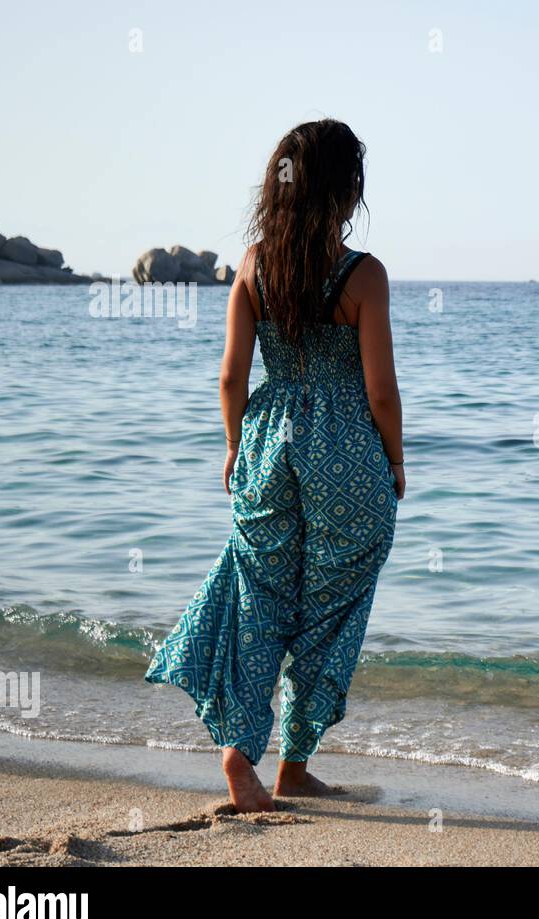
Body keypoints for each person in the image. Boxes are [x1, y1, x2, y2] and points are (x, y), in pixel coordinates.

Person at [145, 119, 404, 811]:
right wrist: (396, 461)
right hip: (346, 451)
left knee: (258, 597)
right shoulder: (364, 275)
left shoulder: (254, 266)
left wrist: (234, 445)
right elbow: (380, 389)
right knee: (332, 603)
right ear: (348, 192)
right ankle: (294, 761)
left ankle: (240, 752)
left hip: (265, 444)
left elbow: (231, 376)